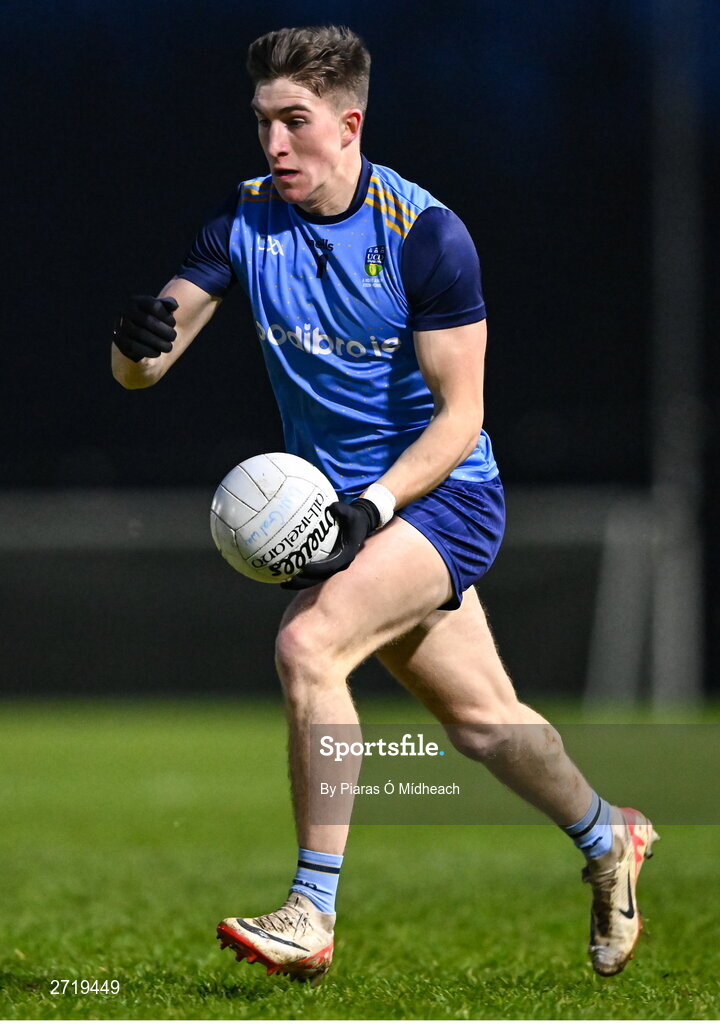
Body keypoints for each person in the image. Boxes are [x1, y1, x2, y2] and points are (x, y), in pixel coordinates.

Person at [111, 25, 658, 986]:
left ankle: (311, 913)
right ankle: (608, 833)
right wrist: (131, 340)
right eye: (262, 123)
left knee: (306, 646)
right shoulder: (240, 225)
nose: (274, 144)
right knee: (484, 723)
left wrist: (371, 506)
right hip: (352, 515)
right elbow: (142, 370)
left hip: (443, 497)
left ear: (348, 123)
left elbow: (461, 420)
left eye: (295, 122)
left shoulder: (426, 235)